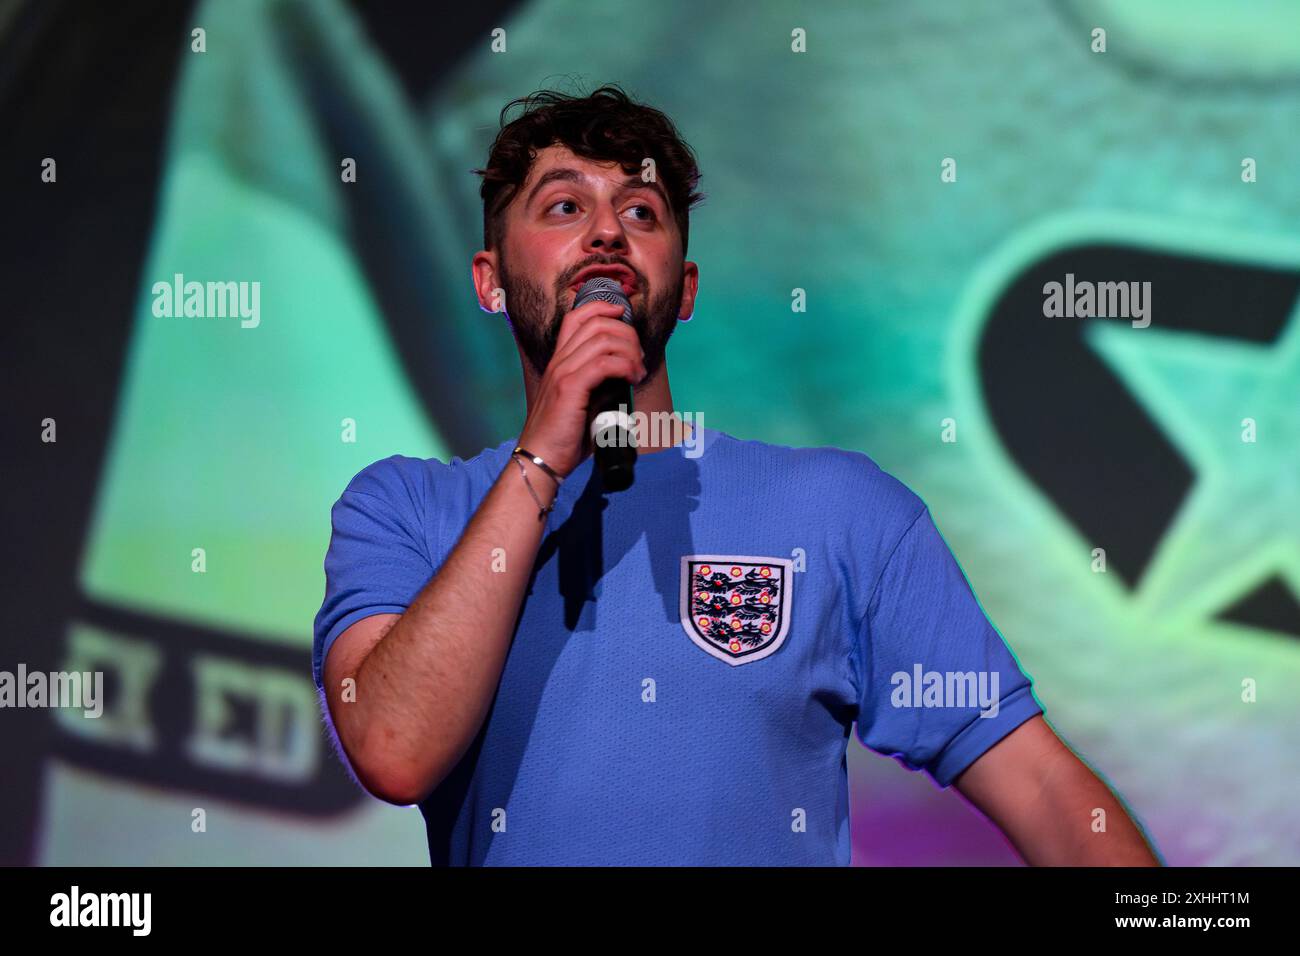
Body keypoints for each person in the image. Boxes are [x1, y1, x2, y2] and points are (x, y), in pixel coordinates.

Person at [312, 84, 1159, 866]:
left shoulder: (840, 512)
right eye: (565, 206)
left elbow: (1046, 792)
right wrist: (542, 458)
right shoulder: (405, 510)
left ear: (682, 292)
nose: (607, 232)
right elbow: (393, 748)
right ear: (490, 282)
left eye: (640, 212)